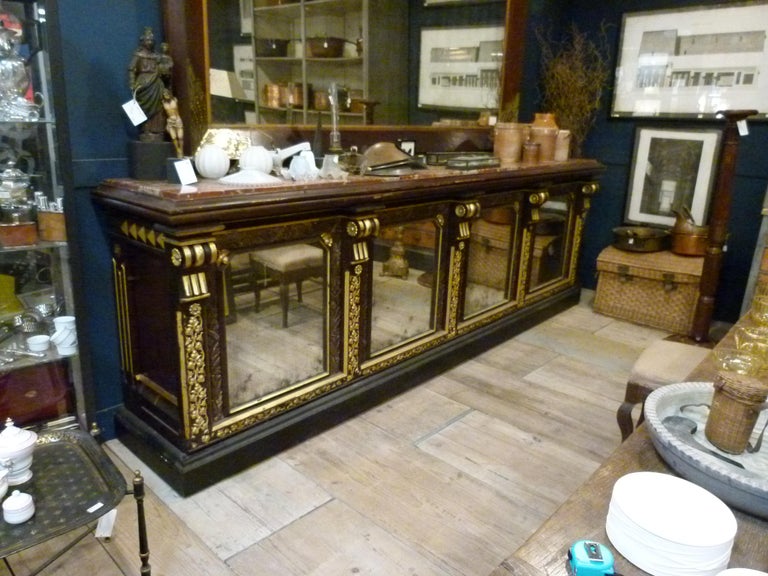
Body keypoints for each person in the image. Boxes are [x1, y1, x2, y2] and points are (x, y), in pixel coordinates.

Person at [127, 27, 171, 141]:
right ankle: (145, 131)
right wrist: (132, 83)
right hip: (143, 84)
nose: (150, 42)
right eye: (147, 40)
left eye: (151, 40)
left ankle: (158, 131)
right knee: (143, 109)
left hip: (156, 84)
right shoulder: (138, 55)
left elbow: (165, 68)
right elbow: (131, 69)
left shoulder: (157, 56)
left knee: (158, 109)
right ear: (143, 42)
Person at [163, 89, 184, 158]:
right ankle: (178, 150)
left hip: (177, 119)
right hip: (170, 120)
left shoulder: (174, 100)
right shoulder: (163, 102)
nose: (166, 96)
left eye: (167, 94)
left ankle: (181, 150)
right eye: (164, 95)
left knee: (180, 137)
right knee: (173, 137)